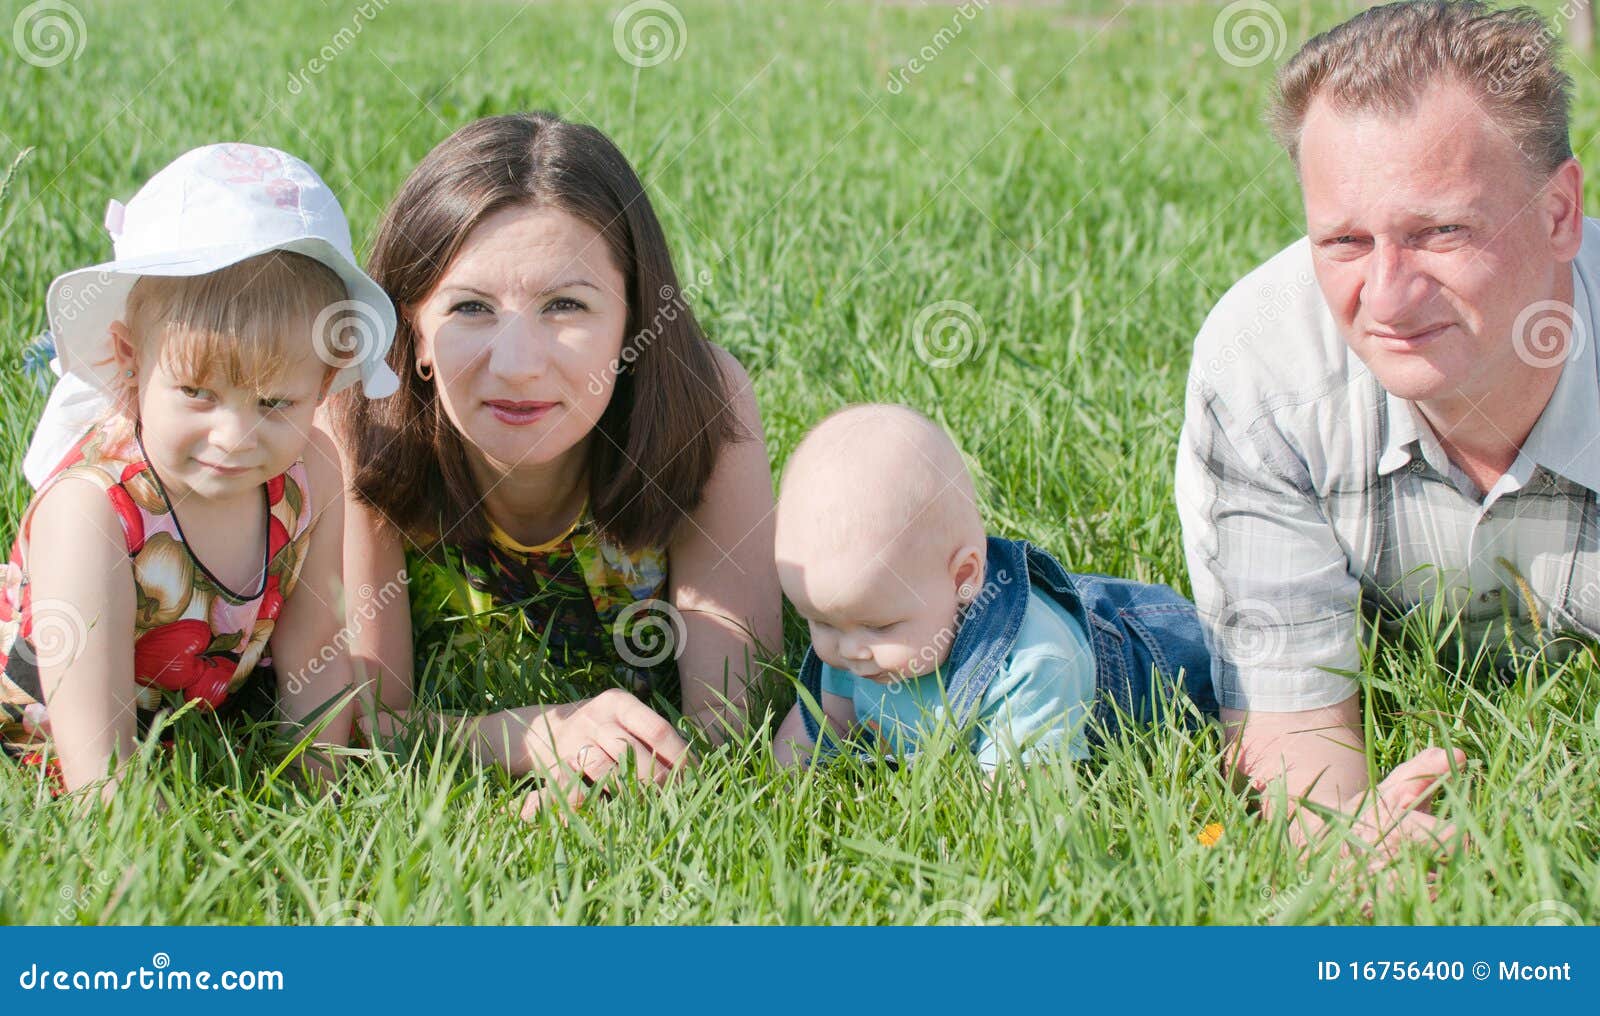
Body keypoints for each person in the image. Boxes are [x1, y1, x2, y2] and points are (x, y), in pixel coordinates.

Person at [1176, 0, 1593, 865]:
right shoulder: (1264, 372)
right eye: (1345, 240)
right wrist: (1350, 844)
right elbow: (1290, 739)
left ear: (1559, 212)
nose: (1389, 298)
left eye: (1442, 232)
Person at [327, 113, 782, 817]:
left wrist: (616, 781)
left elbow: (734, 718)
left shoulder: (701, 402)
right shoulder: (361, 418)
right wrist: (535, 736)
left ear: (632, 321)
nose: (516, 364)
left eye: (565, 305)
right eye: (471, 308)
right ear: (412, 329)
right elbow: (363, 727)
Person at [1, 142, 400, 797]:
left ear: (326, 383)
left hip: (192, 696)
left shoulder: (313, 472)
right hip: (59, 718)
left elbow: (316, 642)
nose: (235, 436)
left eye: (275, 402)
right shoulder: (96, 511)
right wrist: (122, 820)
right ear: (130, 359)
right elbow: (98, 777)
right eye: (197, 393)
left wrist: (320, 781)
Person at [774, 404, 1216, 768]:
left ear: (964, 579)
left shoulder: (1032, 663)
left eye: (879, 627)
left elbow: (1017, 801)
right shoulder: (854, 628)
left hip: (1158, 654)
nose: (849, 651)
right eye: (820, 622)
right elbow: (825, 721)